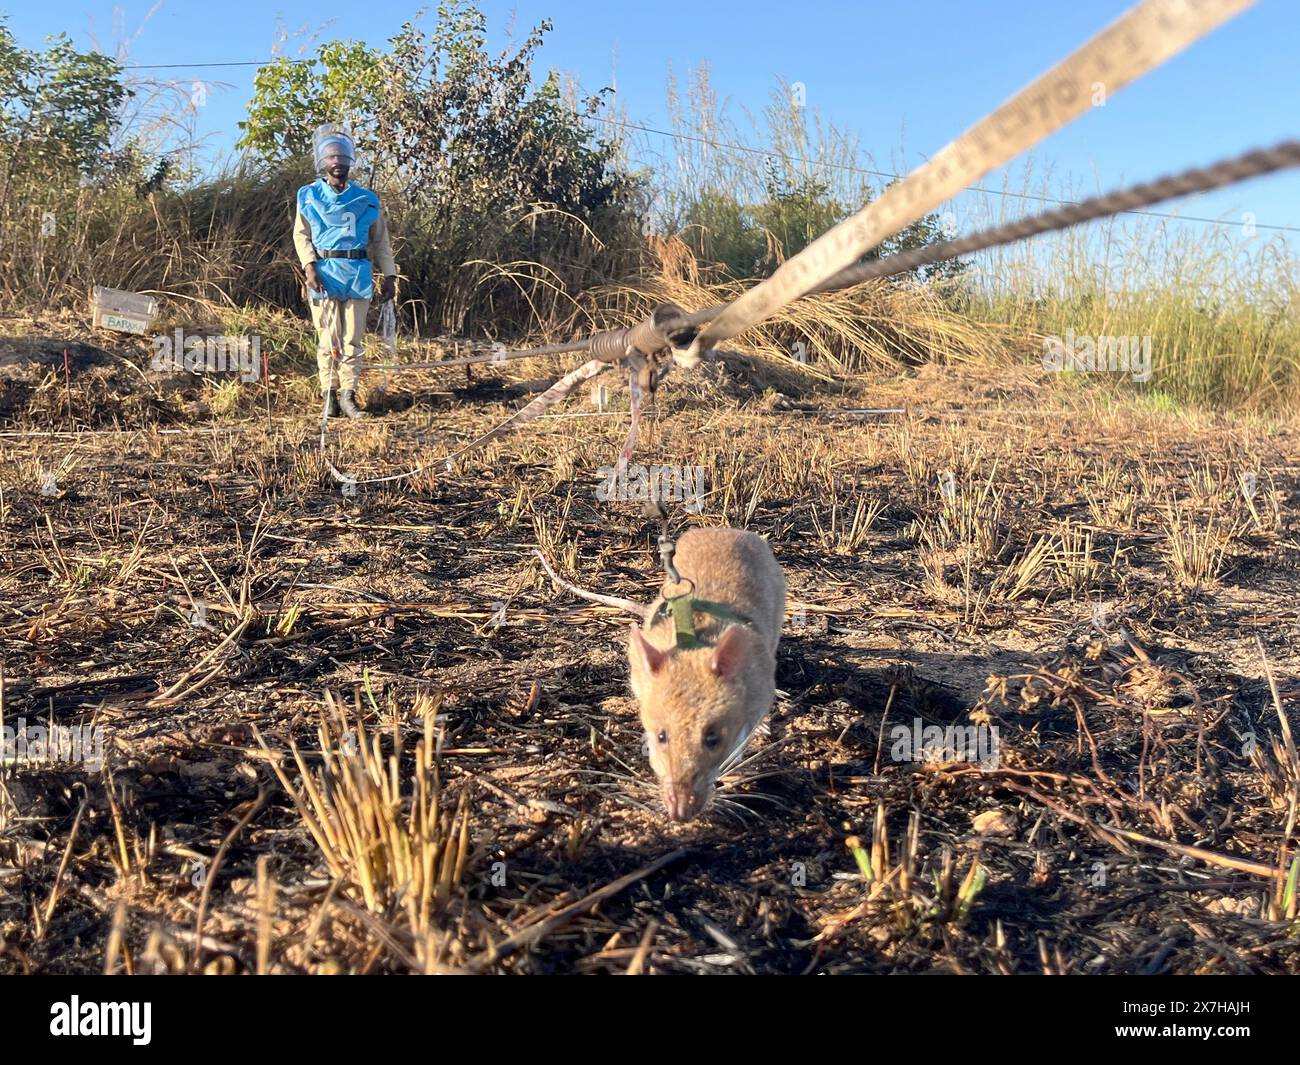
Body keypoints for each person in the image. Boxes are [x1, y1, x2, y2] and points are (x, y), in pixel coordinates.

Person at [292, 124, 397, 418]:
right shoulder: (310, 196)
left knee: (352, 339)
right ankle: (329, 395)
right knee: (328, 338)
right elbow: (301, 235)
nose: (336, 161)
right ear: (323, 161)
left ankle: (348, 395)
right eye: (331, 156)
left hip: (357, 272)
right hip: (325, 272)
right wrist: (309, 266)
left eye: (341, 155)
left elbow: (380, 240)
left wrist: (389, 275)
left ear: (350, 159)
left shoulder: (366, 199)